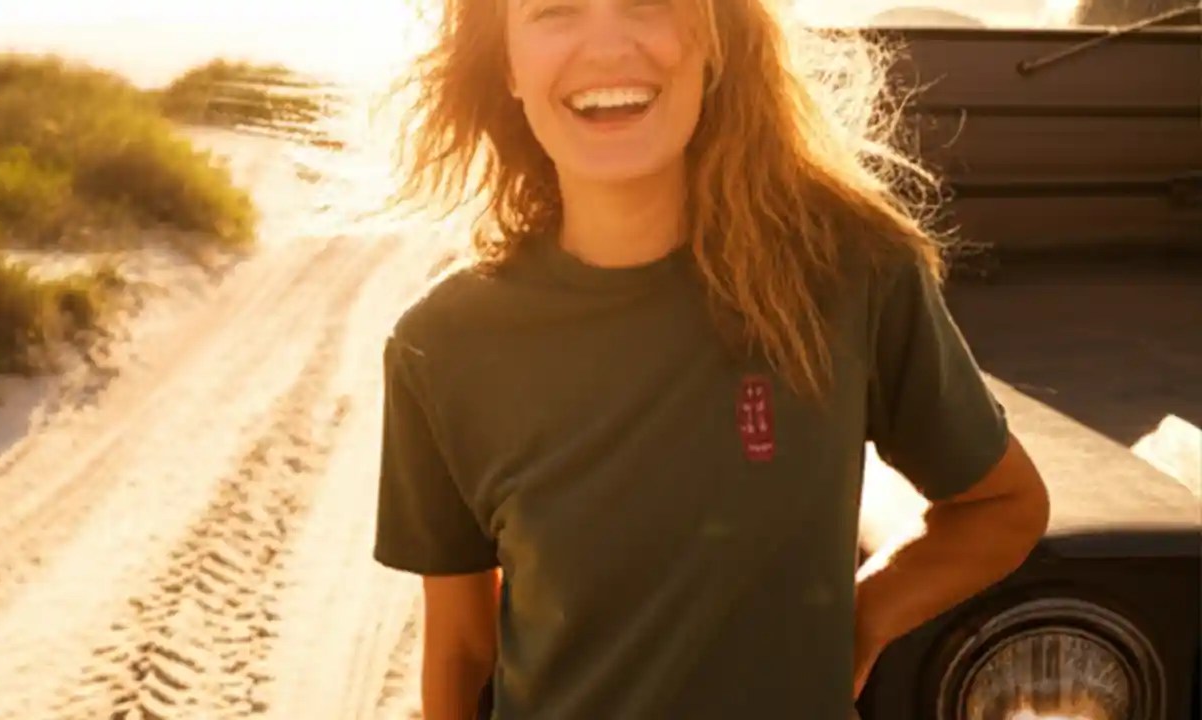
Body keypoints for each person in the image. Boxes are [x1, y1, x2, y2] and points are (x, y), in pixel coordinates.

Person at [372, 1, 1051, 718]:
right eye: (554, 9)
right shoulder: (441, 347)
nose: (606, 46)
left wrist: (856, 623)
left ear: (717, 42)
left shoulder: (849, 276)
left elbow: (1002, 507)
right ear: (507, 66)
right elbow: (459, 653)